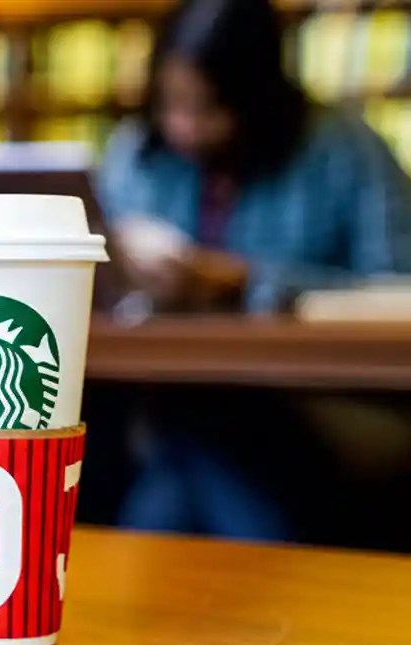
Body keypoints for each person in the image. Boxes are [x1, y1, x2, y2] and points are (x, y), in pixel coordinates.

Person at [96, 0, 411, 540]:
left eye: (209, 108)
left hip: (323, 398)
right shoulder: (140, 151)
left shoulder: (344, 151)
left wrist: (246, 281)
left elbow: (396, 287)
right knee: (193, 423)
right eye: (171, 105)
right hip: (171, 392)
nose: (185, 128)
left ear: (258, 98)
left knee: (197, 432)